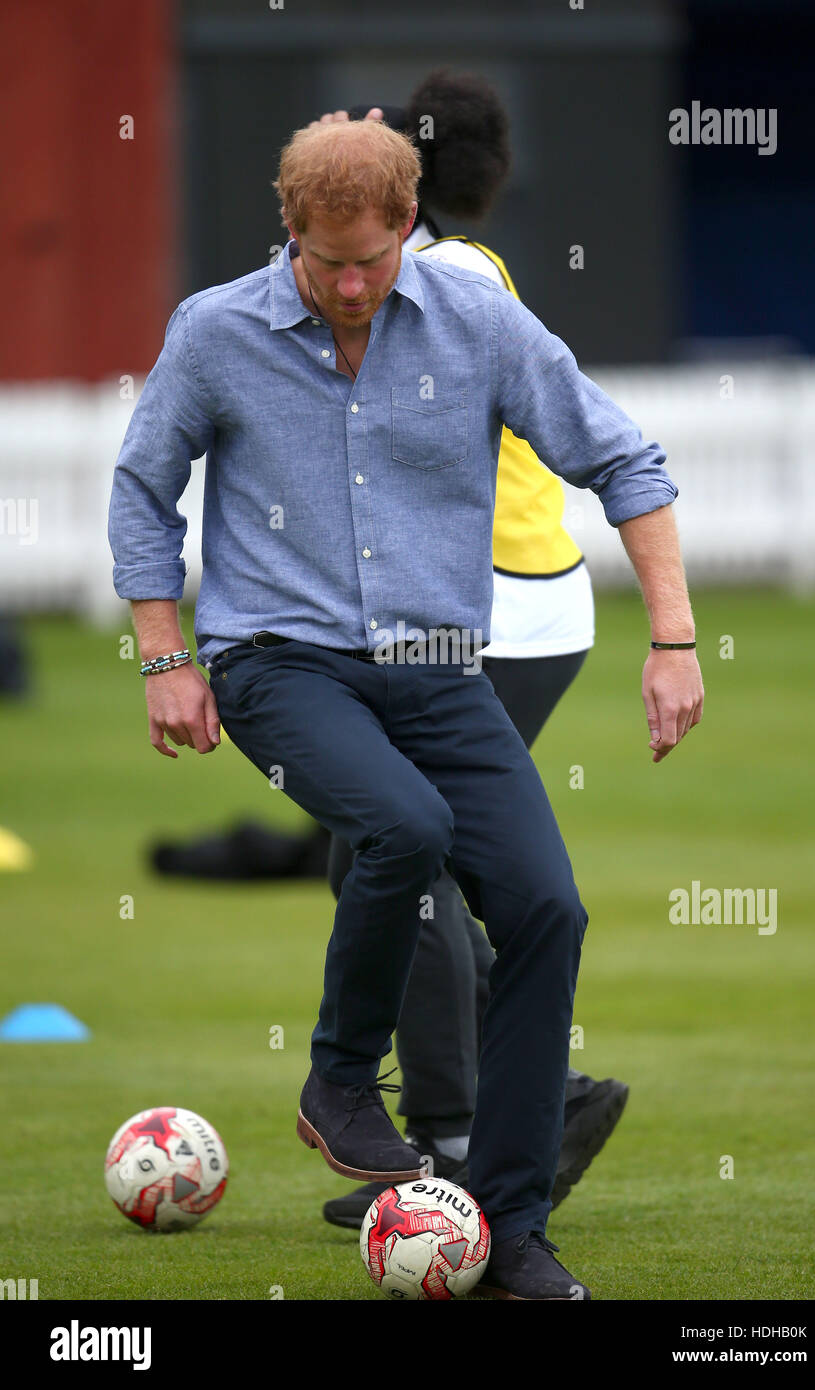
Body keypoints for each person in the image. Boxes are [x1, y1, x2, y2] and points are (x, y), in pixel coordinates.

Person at [108, 118, 703, 1299]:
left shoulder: (474, 318)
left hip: (440, 669)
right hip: (281, 662)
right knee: (403, 828)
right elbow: (142, 484)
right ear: (292, 229)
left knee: (546, 908)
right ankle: (339, 1082)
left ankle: (509, 1221)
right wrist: (163, 652)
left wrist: (674, 638)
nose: (347, 285)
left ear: (405, 230)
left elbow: (625, 462)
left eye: (371, 261)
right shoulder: (217, 331)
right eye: (325, 260)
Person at [318, 72, 628, 1233]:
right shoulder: (466, 267)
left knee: (394, 859)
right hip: (524, 605)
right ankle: (528, 1105)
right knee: (398, 857)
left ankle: (457, 1143)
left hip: (486, 613)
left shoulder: (432, 282)